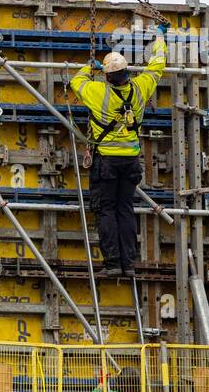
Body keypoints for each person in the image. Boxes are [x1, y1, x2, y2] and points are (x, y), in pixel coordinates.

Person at [70, 28, 168, 277]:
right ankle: (129, 264)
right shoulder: (140, 88)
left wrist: (87, 68)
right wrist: (159, 40)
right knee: (125, 210)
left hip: (107, 162)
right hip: (131, 161)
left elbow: (76, 83)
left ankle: (113, 264)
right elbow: (157, 65)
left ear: (107, 76)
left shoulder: (98, 92)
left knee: (106, 210)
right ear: (127, 72)